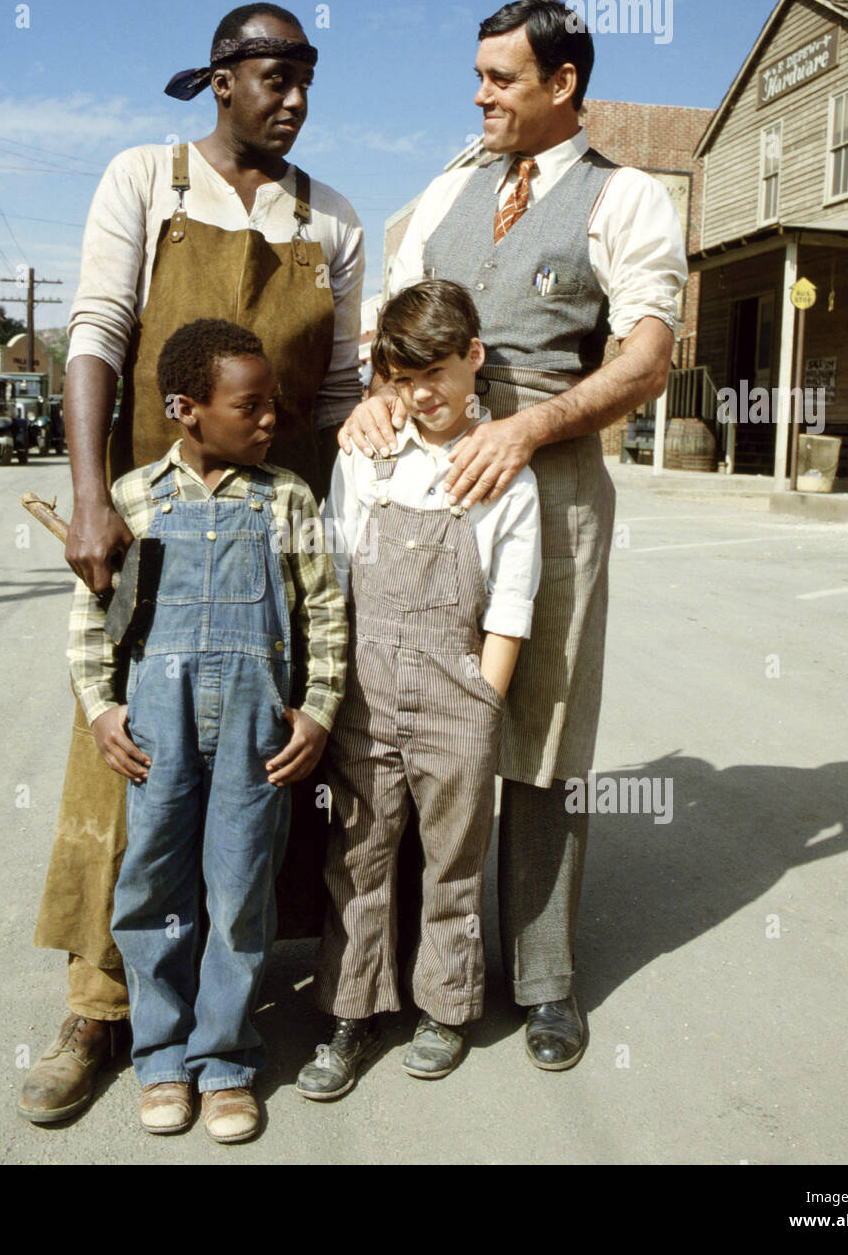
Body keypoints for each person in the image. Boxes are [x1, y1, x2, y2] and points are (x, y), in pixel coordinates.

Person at [19, 2, 363, 1125]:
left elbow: (350, 399)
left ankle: (228, 1026)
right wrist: (87, 501)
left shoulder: (335, 219)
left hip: (273, 529)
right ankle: (99, 1007)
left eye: (309, 79)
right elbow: (94, 335)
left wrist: (340, 542)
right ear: (222, 78)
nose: (297, 100)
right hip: (149, 525)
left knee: (251, 794)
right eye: (276, 77)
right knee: (120, 768)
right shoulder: (144, 180)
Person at [343, 0, 687, 1072]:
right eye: (480, 75)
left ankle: (542, 979)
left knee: (540, 731)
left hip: (553, 477)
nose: (480, 94)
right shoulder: (448, 186)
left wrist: (533, 424)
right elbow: (385, 328)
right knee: (401, 719)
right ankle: (394, 974)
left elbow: (645, 357)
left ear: (563, 85)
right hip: (423, 480)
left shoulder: (623, 198)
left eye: (501, 78)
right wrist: (369, 397)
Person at [71, 319, 346, 1141]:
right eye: (250, 406)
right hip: (156, 725)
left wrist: (320, 707)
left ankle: (225, 1060)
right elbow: (94, 620)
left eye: (274, 405)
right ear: (186, 409)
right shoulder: (134, 498)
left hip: (257, 727)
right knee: (153, 885)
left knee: (238, 888)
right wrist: (100, 706)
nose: (271, 421)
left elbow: (326, 611)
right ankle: (160, 1056)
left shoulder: (288, 496)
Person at [297, 280, 541, 1100]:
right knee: (358, 856)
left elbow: (510, 605)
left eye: (434, 373)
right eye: (400, 380)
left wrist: (482, 700)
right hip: (366, 694)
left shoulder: (505, 473)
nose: (419, 397)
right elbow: (331, 573)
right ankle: (352, 1011)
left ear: (475, 358)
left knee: (452, 862)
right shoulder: (367, 457)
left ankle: (446, 1006)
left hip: (455, 700)